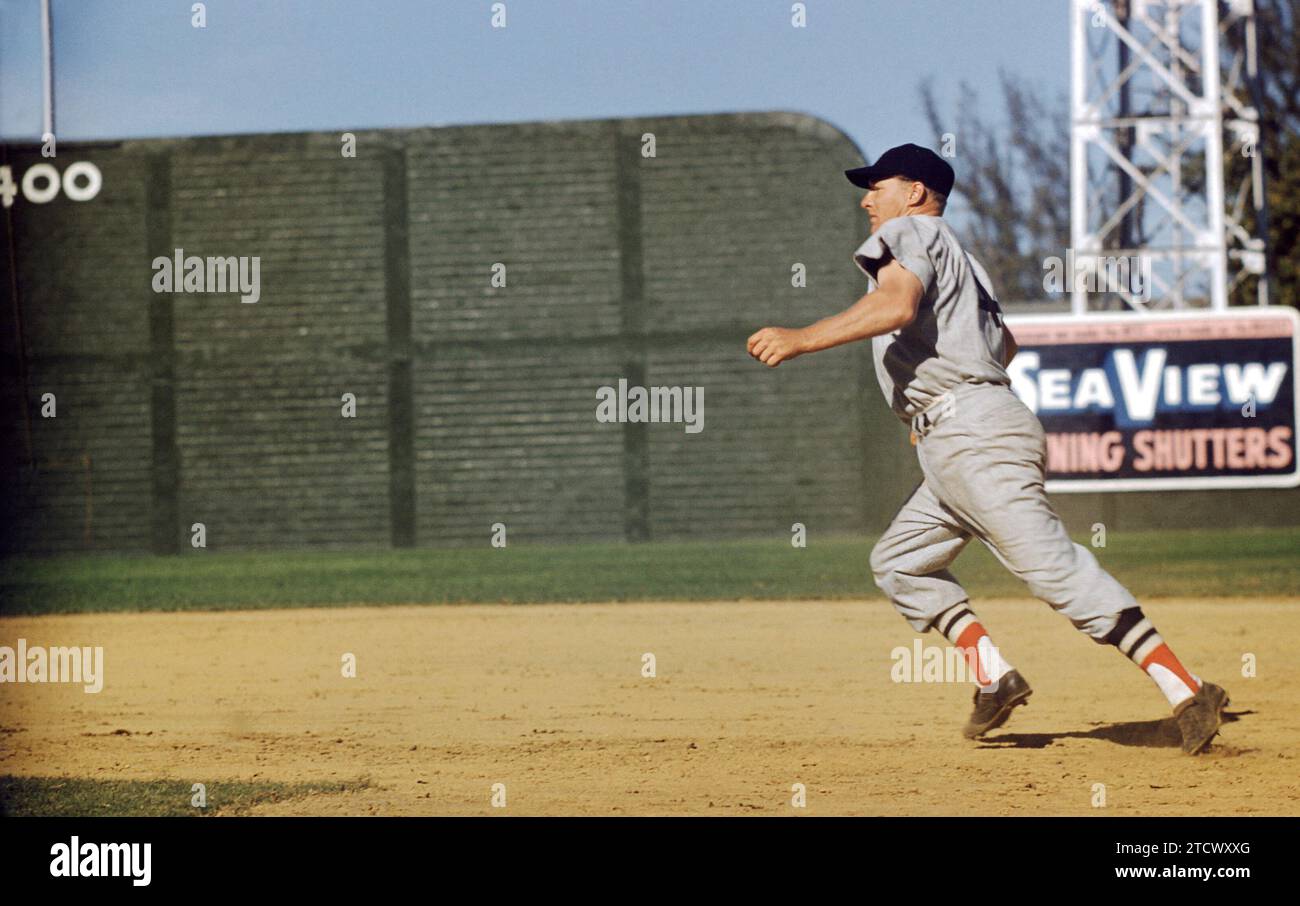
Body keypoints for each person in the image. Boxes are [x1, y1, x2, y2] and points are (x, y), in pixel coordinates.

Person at [745, 143, 1229, 754]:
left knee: (1053, 569)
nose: (868, 199)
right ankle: (995, 679)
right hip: (962, 438)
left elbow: (895, 303)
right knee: (900, 563)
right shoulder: (965, 262)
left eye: (879, 186)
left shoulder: (913, 231)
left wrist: (801, 338)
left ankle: (1189, 691)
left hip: (972, 435)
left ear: (916, 193)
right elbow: (1009, 346)